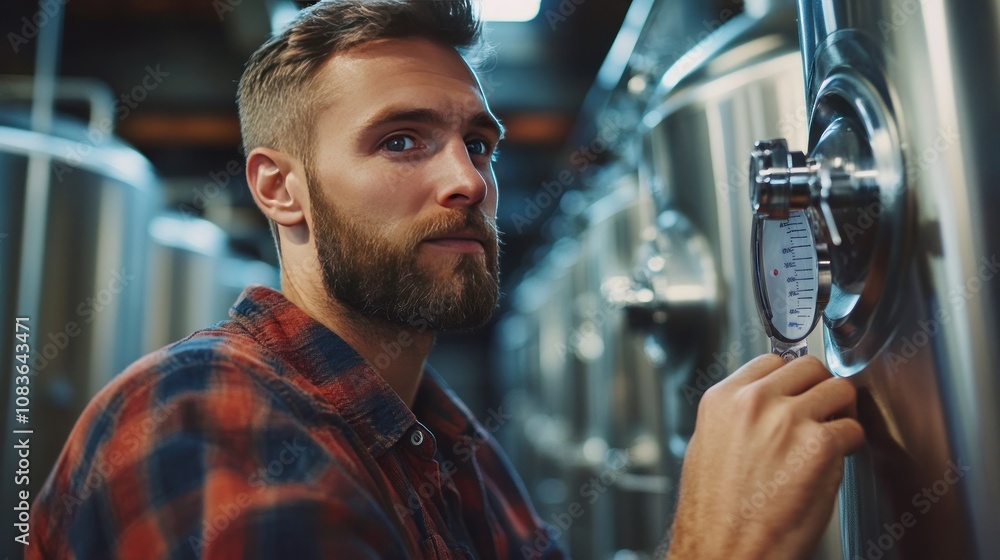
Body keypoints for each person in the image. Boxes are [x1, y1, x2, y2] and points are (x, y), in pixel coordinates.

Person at [28, 1, 863, 558]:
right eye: (401, 141)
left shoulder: (442, 440)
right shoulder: (209, 415)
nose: (468, 180)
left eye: (480, 144)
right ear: (280, 189)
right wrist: (714, 541)